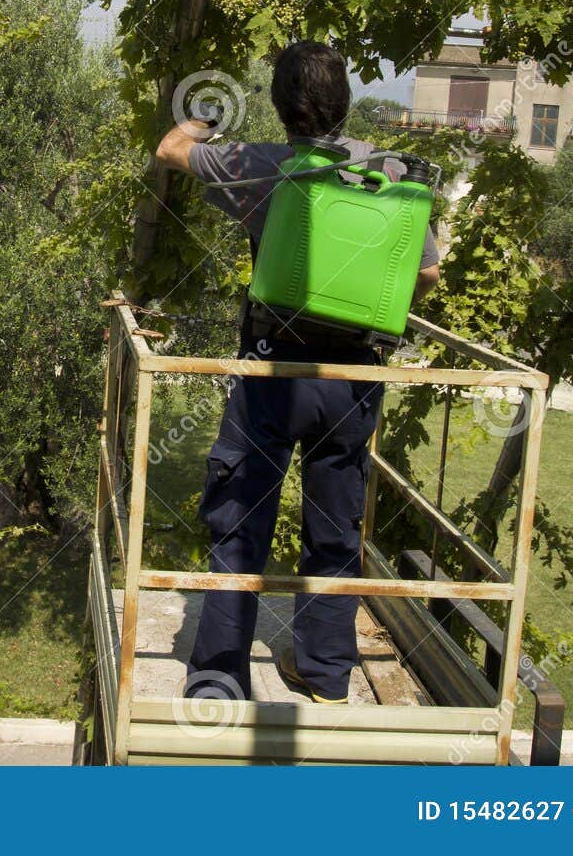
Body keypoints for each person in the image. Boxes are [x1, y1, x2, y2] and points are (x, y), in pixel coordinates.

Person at [155, 40, 440, 704]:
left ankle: (219, 676)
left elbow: (170, 149)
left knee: (240, 517)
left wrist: (205, 114)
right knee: (335, 527)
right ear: (345, 103)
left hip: (273, 370)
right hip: (353, 380)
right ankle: (323, 671)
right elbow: (425, 276)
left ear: (283, 107)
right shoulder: (389, 170)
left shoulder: (261, 165)